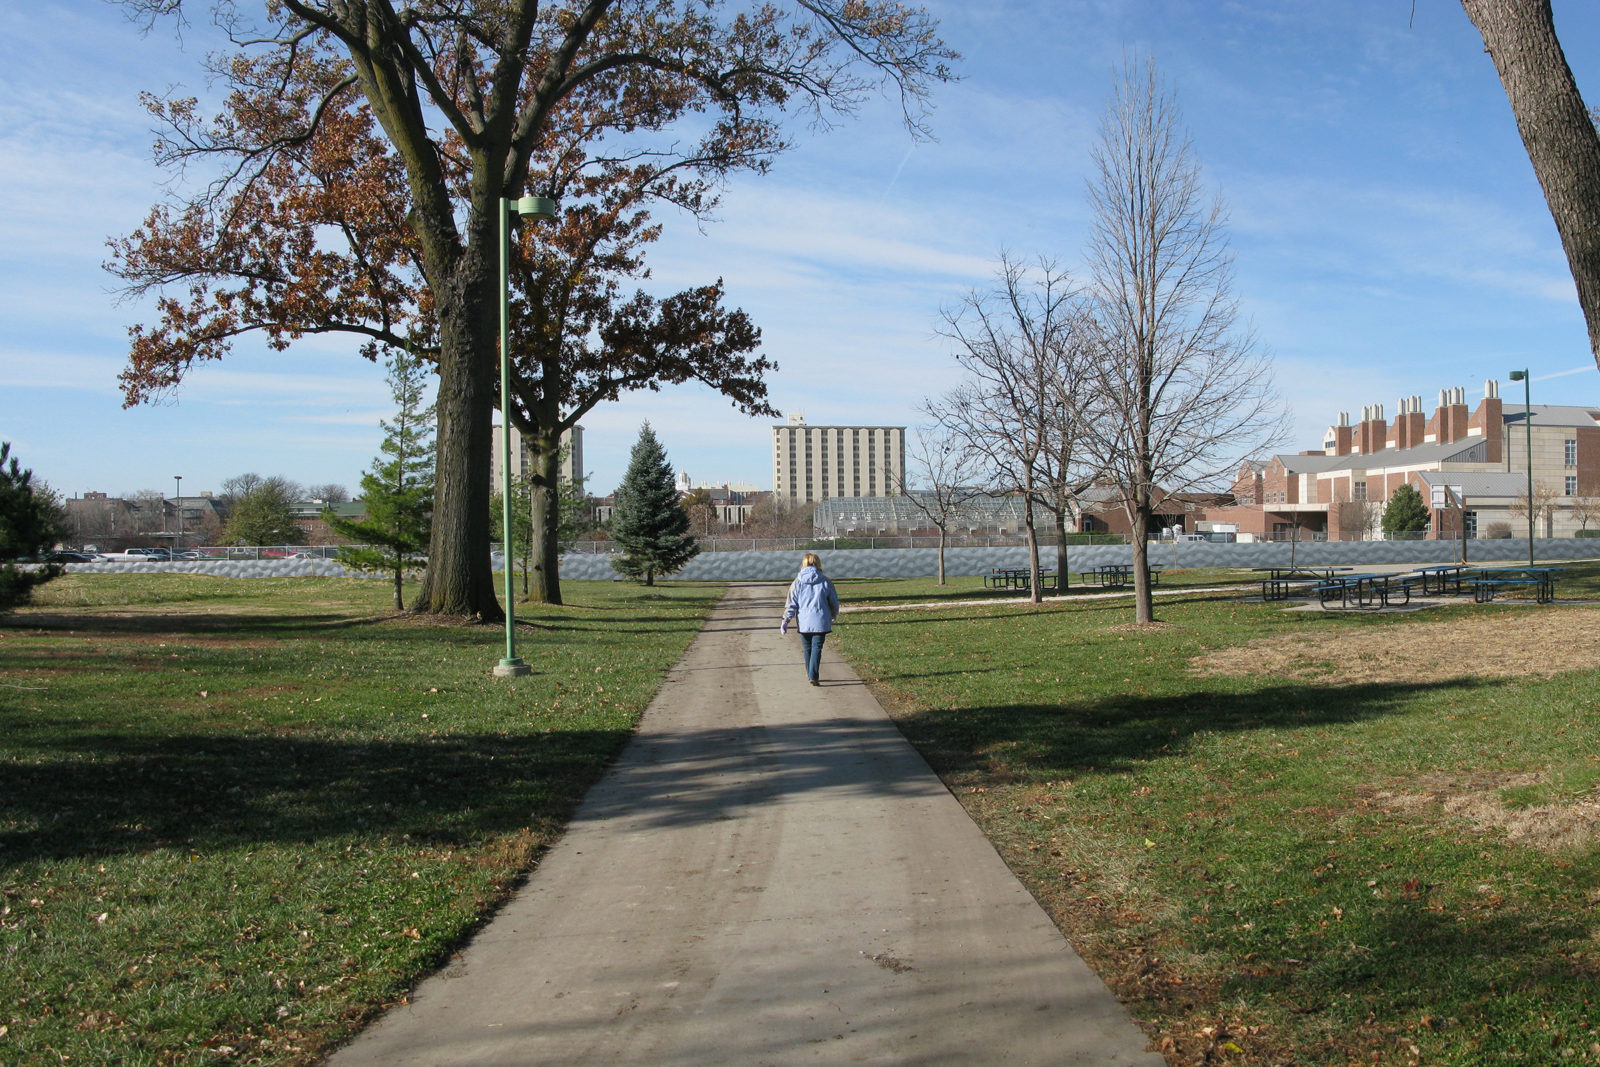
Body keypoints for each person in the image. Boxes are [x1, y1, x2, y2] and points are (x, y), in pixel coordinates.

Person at [780, 552, 840, 686]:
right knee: (817, 647)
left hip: (804, 622)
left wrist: (786, 620)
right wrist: (834, 614)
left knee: (807, 648)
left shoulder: (797, 582)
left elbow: (792, 603)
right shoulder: (826, 581)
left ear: (804, 564)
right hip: (821, 621)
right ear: (818, 564)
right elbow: (834, 601)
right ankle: (813, 675)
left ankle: (810, 674)